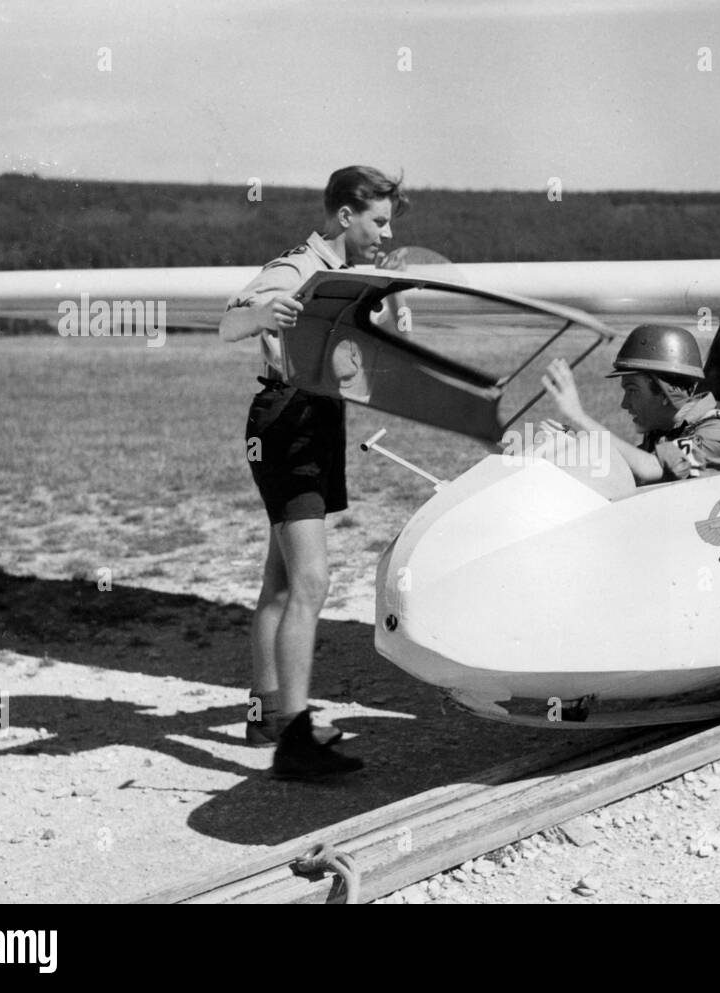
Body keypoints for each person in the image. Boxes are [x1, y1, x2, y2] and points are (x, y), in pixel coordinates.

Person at [218, 165, 409, 781]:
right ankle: (295, 739)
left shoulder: (348, 276)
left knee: (280, 581)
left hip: (313, 418)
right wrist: (263, 313)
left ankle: (268, 712)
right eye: (378, 220)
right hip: (287, 425)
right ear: (345, 215)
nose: (384, 232)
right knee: (311, 582)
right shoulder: (297, 268)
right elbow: (231, 320)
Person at [541, 324, 720, 484]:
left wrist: (579, 416)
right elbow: (624, 467)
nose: (624, 404)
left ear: (665, 392)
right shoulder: (666, 432)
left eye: (632, 390)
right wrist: (578, 441)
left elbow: (649, 469)